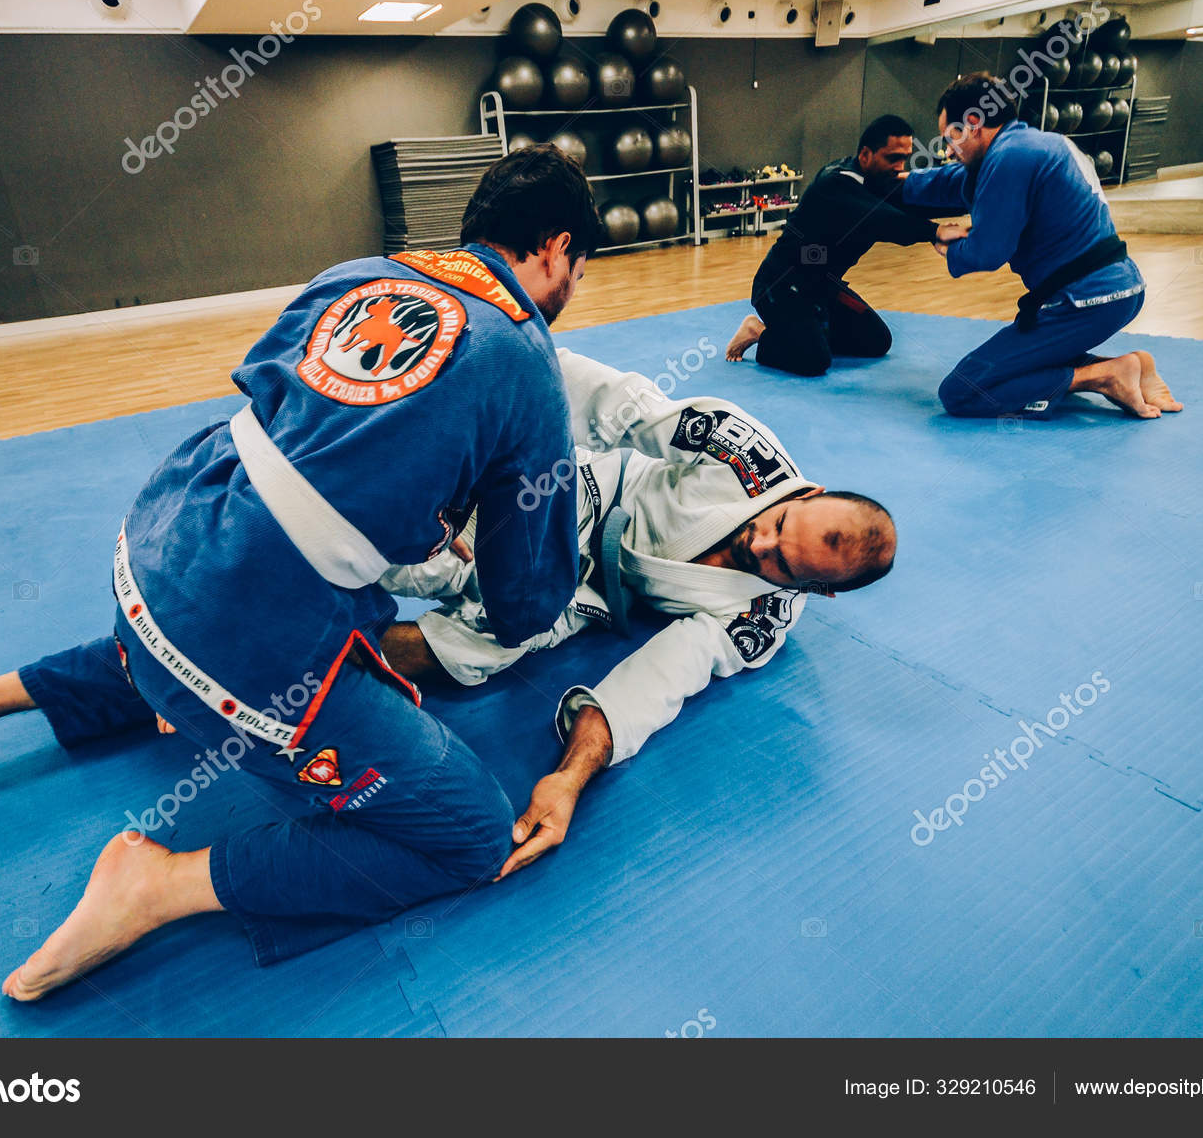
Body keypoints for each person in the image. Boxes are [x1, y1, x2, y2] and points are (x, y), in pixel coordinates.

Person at [0, 144, 603, 1000]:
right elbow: (525, 605)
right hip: (236, 631)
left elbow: (282, 404)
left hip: (158, 536)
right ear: (557, 248)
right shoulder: (526, 358)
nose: (572, 289)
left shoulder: (363, 270)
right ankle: (159, 887)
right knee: (470, 833)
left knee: (249, 592)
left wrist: (423, 504)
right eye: (579, 268)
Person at [380, 347, 897, 877]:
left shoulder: (760, 619)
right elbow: (621, 402)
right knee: (436, 559)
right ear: (809, 493)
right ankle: (311, 553)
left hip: (594, 595)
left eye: (781, 564)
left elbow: (660, 681)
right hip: (586, 495)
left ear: (817, 591)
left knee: (488, 646)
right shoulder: (743, 450)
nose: (760, 541)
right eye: (781, 523)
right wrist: (502, 368)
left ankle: (331, 659)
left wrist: (569, 779)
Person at [901, 72, 1182, 420]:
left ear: (973, 123)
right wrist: (897, 184)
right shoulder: (1032, 145)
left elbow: (989, 252)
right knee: (1024, 362)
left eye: (951, 136)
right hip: (1116, 289)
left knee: (963, 391)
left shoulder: (1010, 158)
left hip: (1084, 301)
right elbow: (955, 182)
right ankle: (1131, 367)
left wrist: (949, 246)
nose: (947, 149)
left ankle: (1105, 376)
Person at [725, 114, 965, 375]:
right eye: (892, 157)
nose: (899, 166)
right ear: (865, 155)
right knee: (814, 362)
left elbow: (914, 204)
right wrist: (935, 231)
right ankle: (759, 331)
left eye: (904, 158)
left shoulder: (878, 182)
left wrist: (976, 200)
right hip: (780, 288)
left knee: (877, 341)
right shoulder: (836, 183)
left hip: (823, 286)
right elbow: (880, 219)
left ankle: (808, 331)